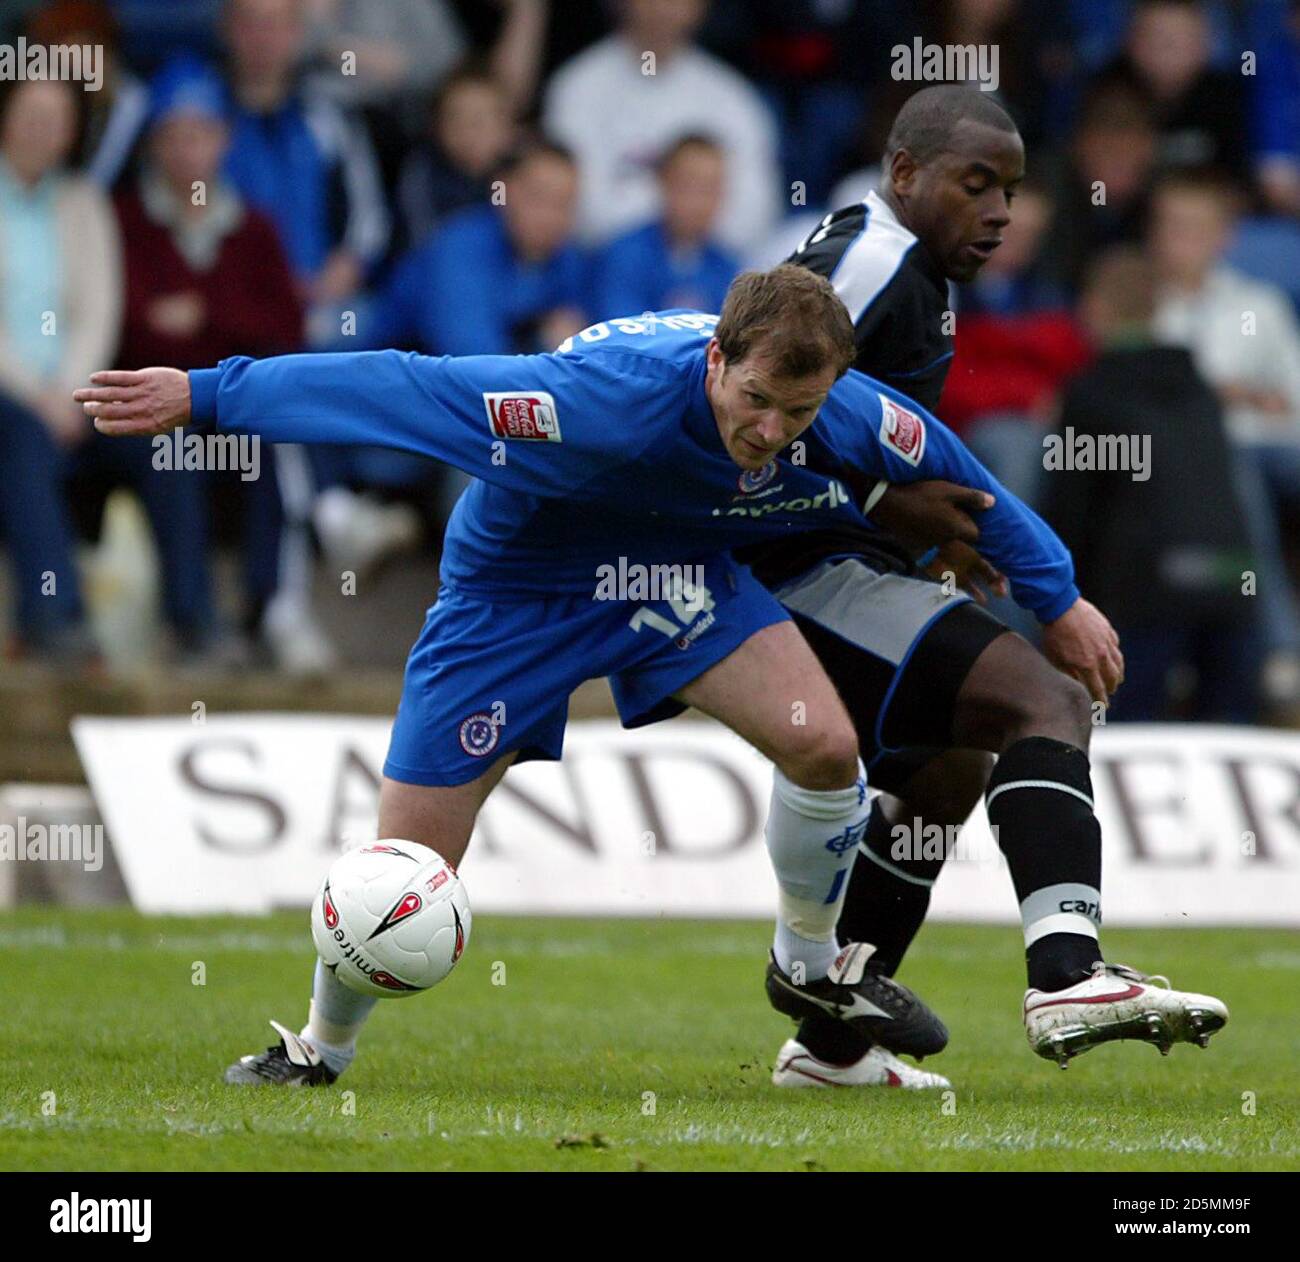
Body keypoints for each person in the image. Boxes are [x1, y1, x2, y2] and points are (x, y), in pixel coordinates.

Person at [77, 265, 1227, 1086]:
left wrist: (1061, 596)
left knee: (823, 744)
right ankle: (317, 1048)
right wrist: (207, 392)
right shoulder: (590, 401)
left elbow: (976, 483)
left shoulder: (848, 410)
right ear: (714, 358)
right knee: (405, 873)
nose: (771, 429)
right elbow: (401, 385)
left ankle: (809, 968)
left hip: (674, 577)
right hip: (512, 596)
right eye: (754, 400)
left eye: (799, 411)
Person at [746, 85, 1123, 1088]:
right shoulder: (874, 265)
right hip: (788, 573)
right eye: (976, 183)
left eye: (1010, 189)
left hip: (829, 563)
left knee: (949, 765)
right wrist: (884, 497)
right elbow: (748, 410)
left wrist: (909, 522)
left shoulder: (905, 265)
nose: (1000, 209)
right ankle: (1067, 973)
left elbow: (851, 430)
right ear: (904, 173)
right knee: (1044, 696)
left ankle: (830, 1049)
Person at [113, 57, 305, 663]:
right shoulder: (125, 220)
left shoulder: (253, 229)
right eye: (173, 136)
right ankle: (194, 623)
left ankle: (261, 615)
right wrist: (220, 327)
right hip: (144, 409)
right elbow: (129, 334)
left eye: (199, 134)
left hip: (229, 404)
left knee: (271, 449)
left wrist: (200, 317)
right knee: (171, 449)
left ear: (223, 140)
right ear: (152, 145)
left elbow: (287, 330)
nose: (186, 151)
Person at [1044, 247, 1256, 722]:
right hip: (1233, 580)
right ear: (1157, 308)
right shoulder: (1199, 386)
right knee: (1226, 744)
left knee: (1128, 744)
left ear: (1092, 309)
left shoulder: (1091, 391)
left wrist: (1057, 603)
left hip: (1145, 591)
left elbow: (1069, 512)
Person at [1150, 168, 1300, 705]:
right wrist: (1226, 395)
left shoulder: (1259, 306)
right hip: (1182, 462)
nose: (1182, 241)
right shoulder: (1144, 306)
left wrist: (1226, 397)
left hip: (1273, 443)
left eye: (1197, 228)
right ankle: (1280, 648)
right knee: (1233, 469)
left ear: (1224, 235)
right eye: (1172, 227)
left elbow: (1292, 400)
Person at [0, 77, 121, 661]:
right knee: (23, 437)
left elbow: (98, 313)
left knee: (166, 446)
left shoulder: (85, 204)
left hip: (76, 396)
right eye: (31, 113)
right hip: (11, 394)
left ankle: (202, 624)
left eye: (57, 117)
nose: (43, 128)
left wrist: (73, 394)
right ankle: (54, 618)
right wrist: (39, 397)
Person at [543, 0, 780, 254]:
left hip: (707, 271)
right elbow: (570, 203)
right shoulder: (577, 87)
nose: (662, 7)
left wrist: (682, 234)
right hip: (602, 266)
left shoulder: (732, 97)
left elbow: (755, 210)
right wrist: (671, 219)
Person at [593, 133, 740, 321]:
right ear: (663, 183)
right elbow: (621, 331)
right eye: (690, 185)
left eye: (710, 189)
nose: (700, 202)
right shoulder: (623, 256)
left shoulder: (727, 267)